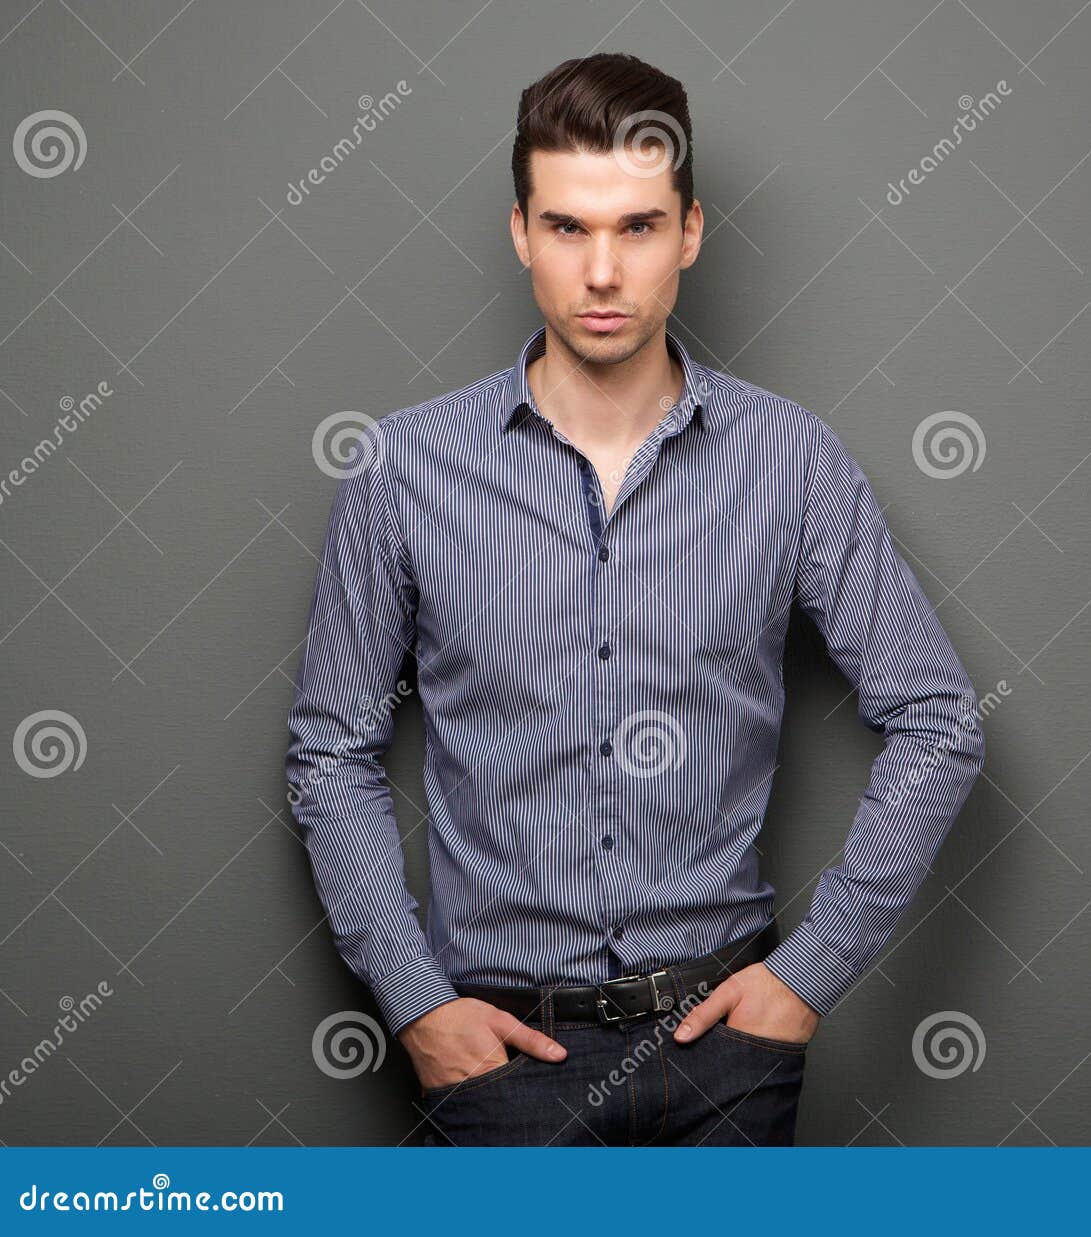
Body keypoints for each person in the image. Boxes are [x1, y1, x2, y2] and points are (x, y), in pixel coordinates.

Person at [284, 51, 985, 1146]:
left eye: (638, 227)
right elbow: (331, 752)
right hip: (497, 1061)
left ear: (691, 232)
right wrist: (415, 998)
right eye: (567, 227)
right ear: (520, 232)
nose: (601, 272)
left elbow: (939, 724)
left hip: (727, 1057)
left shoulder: (791, 461)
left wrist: (809, 973)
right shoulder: (401, 469)